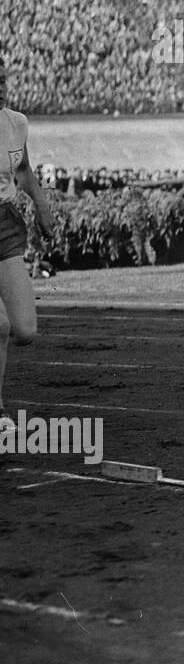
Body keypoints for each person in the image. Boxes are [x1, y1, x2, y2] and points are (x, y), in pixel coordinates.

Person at [0, 59, 55, 433]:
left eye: (2, 78)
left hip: (4, 223)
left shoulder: (16, 123)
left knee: (23, 329)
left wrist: (42, 204)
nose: (1, 85)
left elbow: (22, 171)